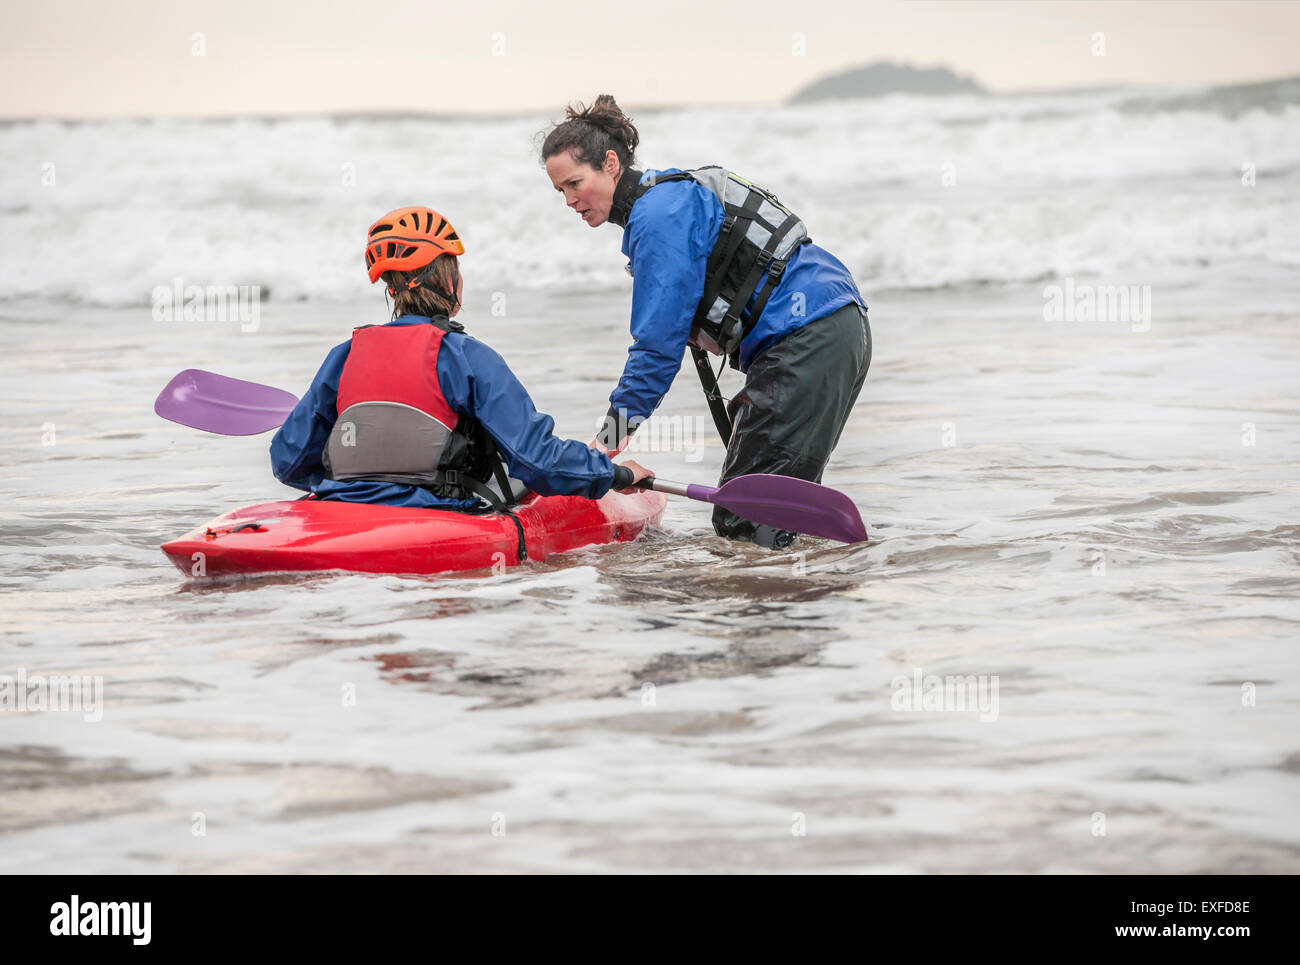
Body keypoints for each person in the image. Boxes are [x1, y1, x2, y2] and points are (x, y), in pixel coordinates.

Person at [541, 95, 871, 549]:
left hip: (809, 337)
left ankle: (785, 612)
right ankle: (800, 596)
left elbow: (656, 348)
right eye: (560, 190)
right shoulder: (666, 203)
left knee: (744, 524)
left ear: (611, 164)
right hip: (831, 328)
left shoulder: (660, 217)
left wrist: (607, 444)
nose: (569, 200)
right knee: (763, 517)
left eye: (575, 183)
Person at [269, 205, 650, 548]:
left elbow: (288, 461)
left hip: (343, 513)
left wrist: (365, 483)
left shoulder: (346, 354)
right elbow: (538, 463)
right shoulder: (467, 356)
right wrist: (613, 473)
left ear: (392, 287)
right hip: (439, 517)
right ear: (448, 279)